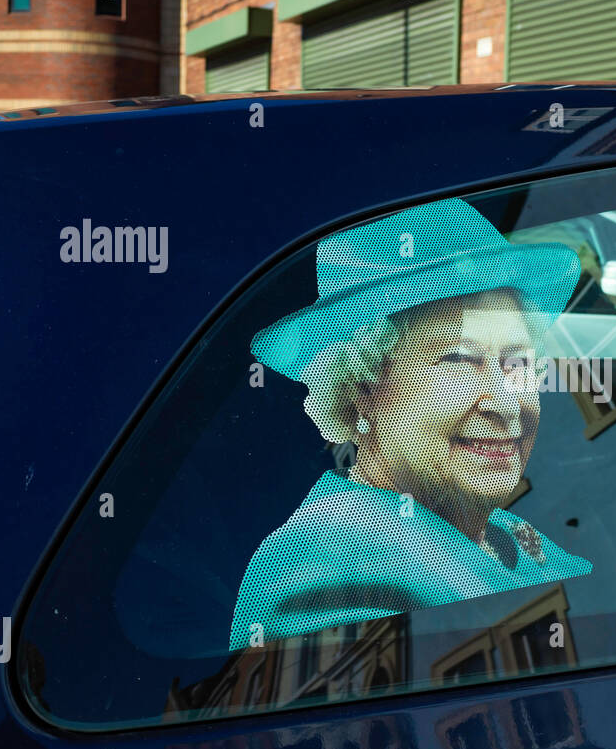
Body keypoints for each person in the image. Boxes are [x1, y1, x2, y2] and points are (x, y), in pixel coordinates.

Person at [229, 198, 593, 650]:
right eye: (461, 360)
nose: (507, 402)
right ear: (362, 388)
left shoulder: (503, 533)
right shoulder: (327, 563)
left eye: (517, 363)